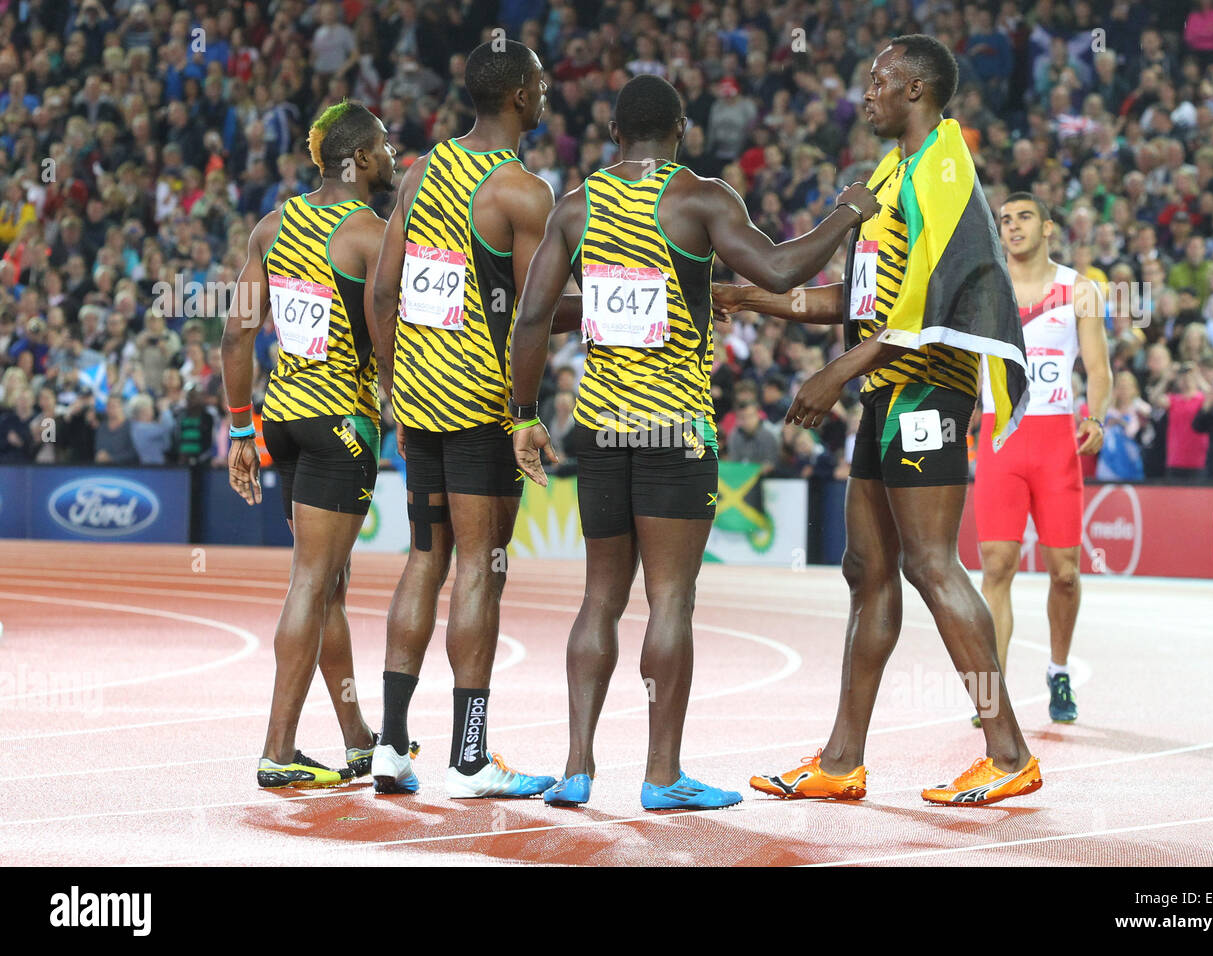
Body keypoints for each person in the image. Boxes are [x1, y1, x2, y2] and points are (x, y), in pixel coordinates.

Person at [509, 73, 875, 810]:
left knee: (600, 600)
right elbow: (777, 268)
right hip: (675, 429)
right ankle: (661, 775)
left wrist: (524, 415)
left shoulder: (575, 209)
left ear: (614, 134)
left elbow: (531, 319)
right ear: (682, 132)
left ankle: (577, 767)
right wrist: (846, 215)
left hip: (602, 431)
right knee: (671, 598)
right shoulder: (700, 197)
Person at [716, 36, 1041, 806]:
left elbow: (937, 297)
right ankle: (840, 760)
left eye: (881, 81)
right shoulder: (890, 173)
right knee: (867, 571)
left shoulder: (943, 165)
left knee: (931, 564)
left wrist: (838, 369)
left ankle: (1006, 749)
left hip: (928, 391)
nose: (866, 93)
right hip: (885, 391)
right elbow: (860, 300)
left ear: (919, 90)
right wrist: (757, 299)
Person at [365, 40, 577, 798]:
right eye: (542, 84)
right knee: (482, 572)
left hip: (418, 407)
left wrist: (392, 387)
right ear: (520, 95)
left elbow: (382, 292)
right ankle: (470, 756)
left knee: (424, 559)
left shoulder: (421, 172)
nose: (548, 92)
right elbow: (537, 314)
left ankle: (390, 746)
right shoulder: (524, 191)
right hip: (482, 410)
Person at [221, 101, 397, 789]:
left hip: (283, 421)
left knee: (328, 587)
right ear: (357, 158)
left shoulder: (273, 225)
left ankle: (356, 738)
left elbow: (237, 334)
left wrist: (241, 429)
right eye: (382, 145)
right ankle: (279, 749)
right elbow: (400, 330)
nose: (390, 154)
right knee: (313, 583)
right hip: (342, 428)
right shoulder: (370, 235)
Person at [972, 193, 1111, 726]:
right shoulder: (985, 286)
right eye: (1004, 220)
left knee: (1066, 574)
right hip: (1000, 439)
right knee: (997, 566)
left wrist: (1095, 417)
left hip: (1056, 443)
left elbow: (1098, 370)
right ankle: (994, 690)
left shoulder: (1080, 290)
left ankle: (1057, 669)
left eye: (1024, 217)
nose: (1012, 226)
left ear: (1048, 227)